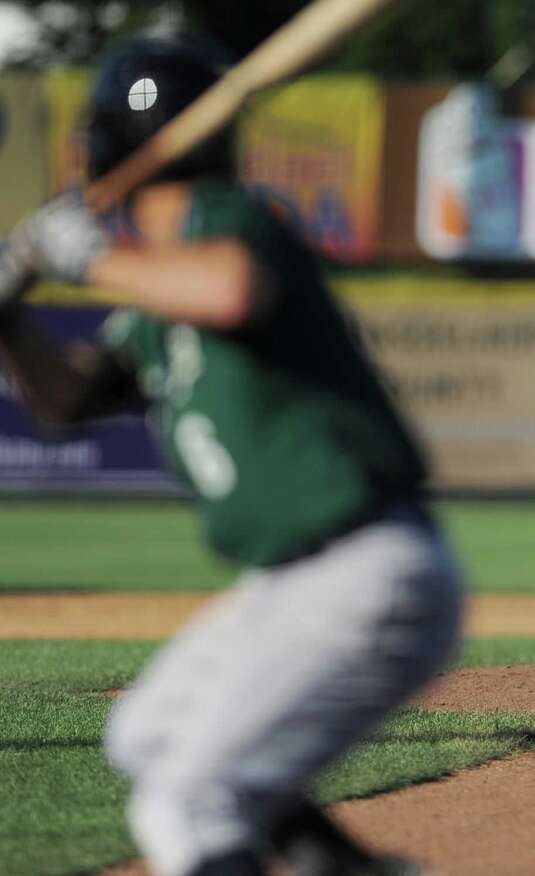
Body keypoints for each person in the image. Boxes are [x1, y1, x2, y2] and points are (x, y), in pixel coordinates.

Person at [0, 37, 461, 875]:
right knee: (147, 733)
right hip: (295, 583)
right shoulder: (157, 289)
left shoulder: (231, 224)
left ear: (106, 145)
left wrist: (85, 255)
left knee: (183, 804)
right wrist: (8, 319)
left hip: (362, 571)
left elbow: (231, 290)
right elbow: (66, 401)